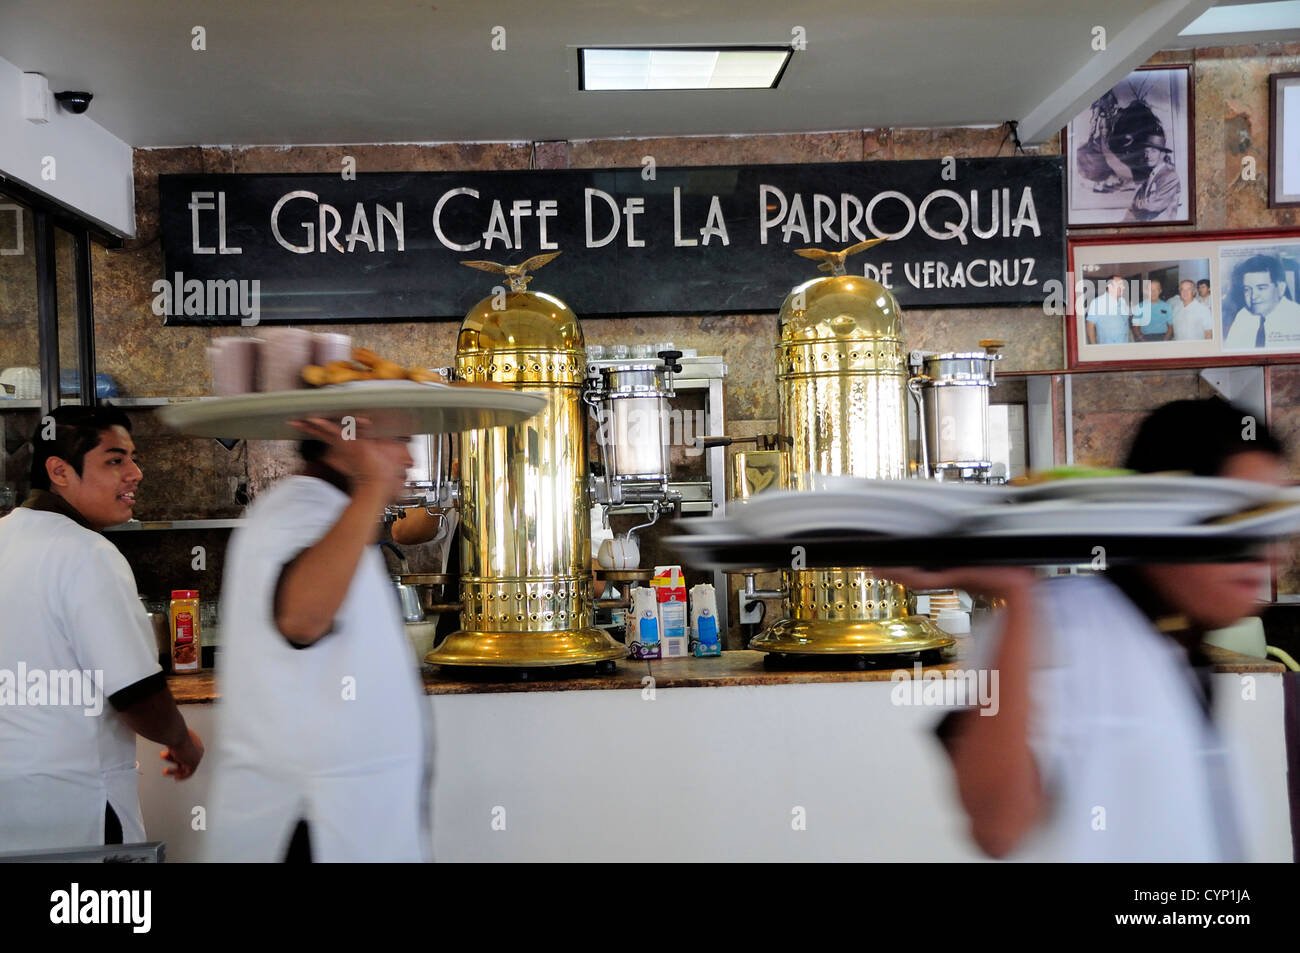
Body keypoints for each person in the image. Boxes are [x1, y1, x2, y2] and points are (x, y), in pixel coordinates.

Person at [896, 396, 1285, 861]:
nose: (1268, 554)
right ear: (1166, 510)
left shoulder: (1180, 650)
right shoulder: (1061, 621)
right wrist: (1017, 596)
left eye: (1274, 523)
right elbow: (999, 825)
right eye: (1241, 520)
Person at [205, 418, 432, 862]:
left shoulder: (330, 509)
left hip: (342, 820)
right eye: (395, 439)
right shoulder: (298, 510)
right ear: (343, 436)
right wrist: (371, 487)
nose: (408, 459)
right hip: (310, 826)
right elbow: (301, 618)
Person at [0, 407, 203, 852]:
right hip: (77, 808)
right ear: (59, 471)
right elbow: (136, 694)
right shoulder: (87, 553)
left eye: (132, 458)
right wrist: (182, 741)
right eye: (115, 460)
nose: (135, 473)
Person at [1223, 253, 1300, 349]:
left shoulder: (1296, 317)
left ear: (1280, 288)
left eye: (1261, 288)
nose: (1253, 296)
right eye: (1247, 289)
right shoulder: (1243, 316)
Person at [1125, 132, 1181, 222]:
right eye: (1146, 152)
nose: (1148, 156)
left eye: (1153, 151)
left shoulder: (1170, 176)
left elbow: (1153, 205)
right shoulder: (1150, 177)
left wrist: (1138, 204)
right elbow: (1136, 202)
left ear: (1162, 154)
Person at [1084, 275, 1131, 344]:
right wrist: (1094, 349)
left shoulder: (1123, 301)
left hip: (1125, 346)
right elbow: (1090, 327)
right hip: (1108, 349)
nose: (1123, 287)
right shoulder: (1098, 302)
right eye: (1120, 285)